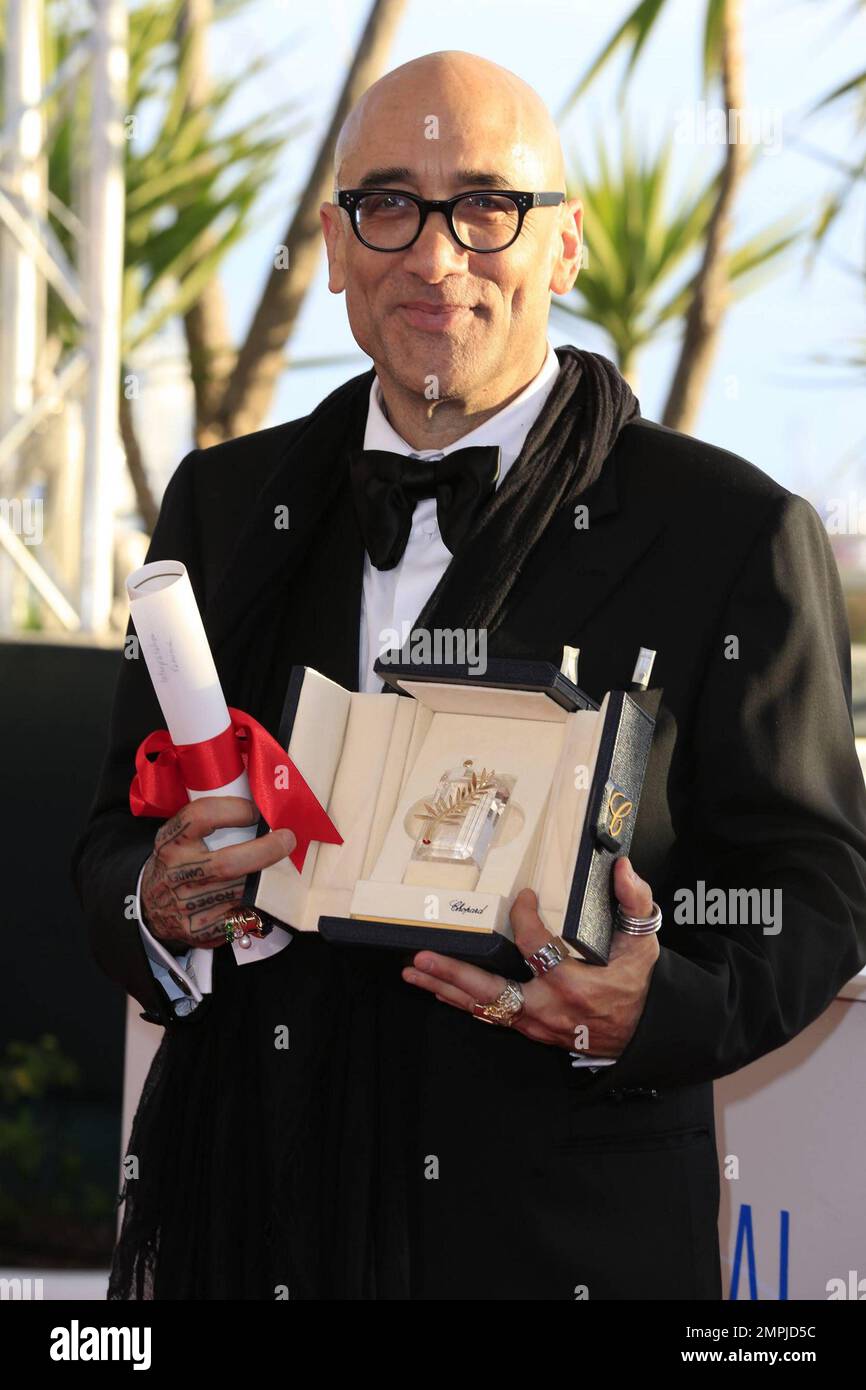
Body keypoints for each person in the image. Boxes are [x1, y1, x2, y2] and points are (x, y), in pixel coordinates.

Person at [71, 50, 866, 1301]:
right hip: (249, 1215)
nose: (433, 257)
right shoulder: (225, 508)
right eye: (388, 205)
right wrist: (161, 907)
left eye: (486, 206)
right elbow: (111, 844)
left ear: (562, 247)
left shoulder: (725, 531)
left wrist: (647, 1008)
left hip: (564, 1241)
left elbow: (815, 888)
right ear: (334, 246)